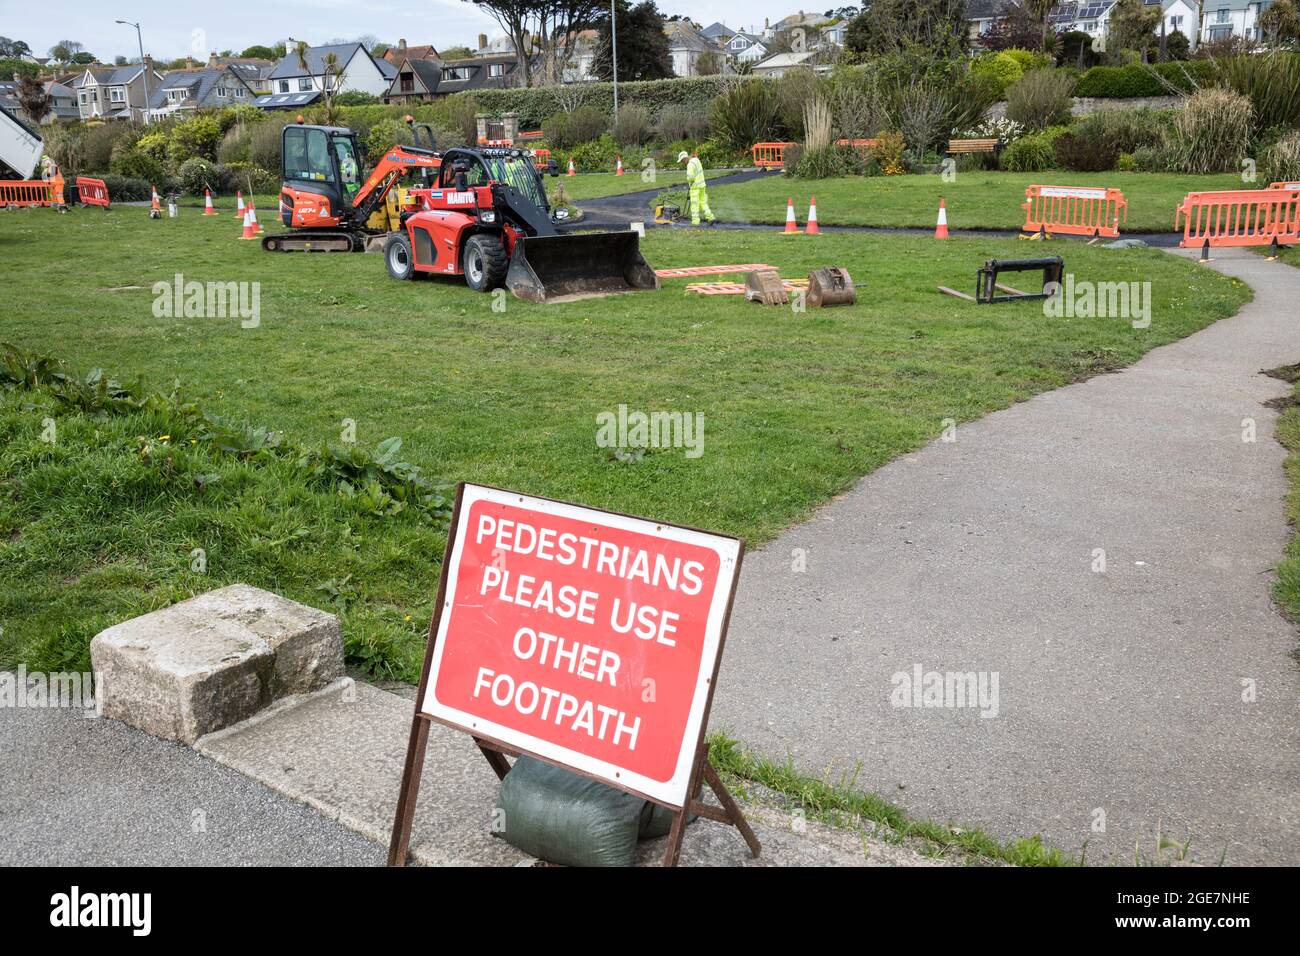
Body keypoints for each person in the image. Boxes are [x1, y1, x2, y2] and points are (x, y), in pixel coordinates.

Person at [678, 149, 716, 227]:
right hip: (702, 185)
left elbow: (690, 177)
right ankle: (711, 217)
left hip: (695, 187)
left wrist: (689, 181)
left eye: (682, 161)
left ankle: (695, 222)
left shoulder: (690, 164)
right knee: (703, 202)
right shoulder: (696, 160)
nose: (683, 163)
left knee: (694, 205)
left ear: (685, 158)